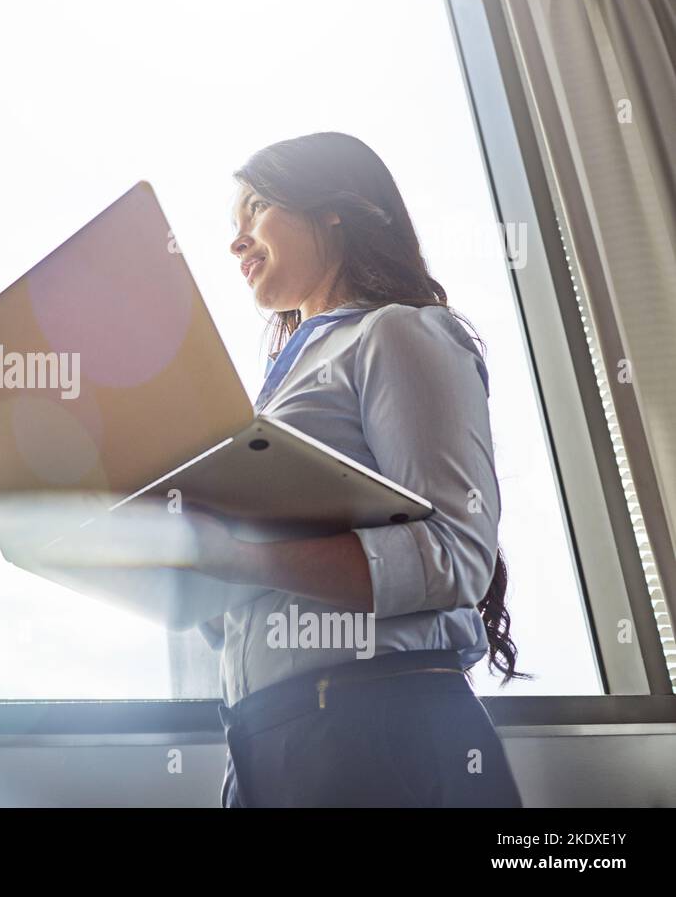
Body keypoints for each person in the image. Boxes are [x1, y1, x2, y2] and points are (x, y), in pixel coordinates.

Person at [188, 131, 524, 807]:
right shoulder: (277, 391)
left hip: (378, 734)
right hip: (263, 742)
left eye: (255, 208)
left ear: (333, 207)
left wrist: (243, 558)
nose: (236, 240)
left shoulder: (397, 331)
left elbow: (456, 552)